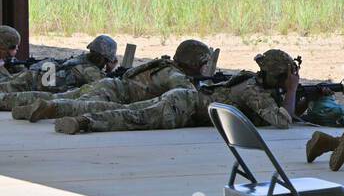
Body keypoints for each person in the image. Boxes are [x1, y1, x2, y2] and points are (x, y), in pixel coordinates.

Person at [51, 48, 299, 135]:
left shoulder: (248, 82)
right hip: (186, 107)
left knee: (130, 111)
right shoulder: (253, 91)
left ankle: (79, 118)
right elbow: (282, 121)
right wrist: (292, 90)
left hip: (185, 100)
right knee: (135, 118)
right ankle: (84, 122)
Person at [13, 39, 211, 121]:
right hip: (114, 93)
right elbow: (189, 99)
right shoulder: (175, 76)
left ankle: (26, 102)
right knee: (81, 107)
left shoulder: (162, 65)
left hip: (110, 85)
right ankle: (50, 108)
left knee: (61, 95)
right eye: (203, 63)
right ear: (194, 62)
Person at [0, 35, 118, 107]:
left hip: (34, 76)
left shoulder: (81, 59)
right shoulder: (91, 71)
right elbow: (107, 86)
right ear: (105, 58)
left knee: (5, 85)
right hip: (36, 84)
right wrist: (109, 70)